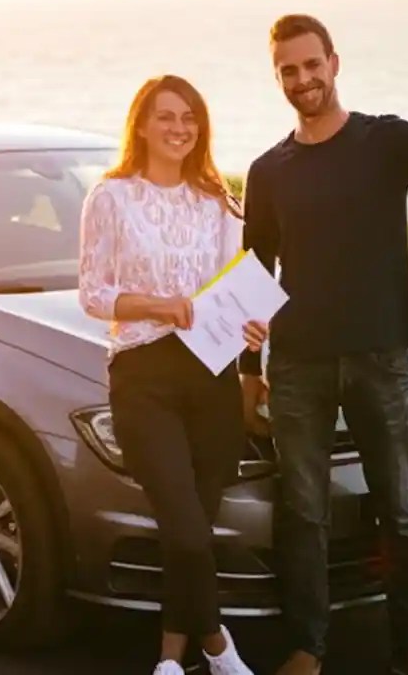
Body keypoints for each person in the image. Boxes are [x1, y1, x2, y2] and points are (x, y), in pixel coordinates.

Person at [237, 14, 408, 675]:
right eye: (288, 71)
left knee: (399, 508)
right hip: (297, 365)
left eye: (311, 64)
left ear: (334, 61)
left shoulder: (384, 141)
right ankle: (307, 647)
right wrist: (249, 370)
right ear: (278, 79)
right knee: (303, 513)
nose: (303, 79)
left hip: (381, 356)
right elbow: (253, 269)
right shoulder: (269, 170)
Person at [78, 74, 269, 675]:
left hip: (210, 375)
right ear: (141, 123)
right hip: (143, 371)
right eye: (166, 116)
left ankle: (168, 660)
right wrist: (158, 305)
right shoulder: (109, 198)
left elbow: (236, 290)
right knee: (185, 529)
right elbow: (92, 293)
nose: (179, 128)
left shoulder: (216, 203)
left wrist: (253, 331)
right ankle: (217, 646)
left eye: (189, 117)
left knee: (192, 526)